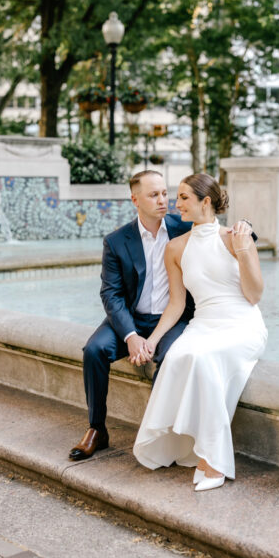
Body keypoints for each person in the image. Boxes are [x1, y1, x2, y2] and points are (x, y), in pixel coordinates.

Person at [133, 173, 267, 492]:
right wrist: (151, 341)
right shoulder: (176, 248)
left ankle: (213, 461)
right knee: (180, 355)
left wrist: (244, 249)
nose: (175, 204)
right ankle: (185, 446)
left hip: (241, 324)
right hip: (203, 324)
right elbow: (177, 304)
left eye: (183, 198)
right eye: (176, 197)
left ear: (205, 202)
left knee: (204, 359)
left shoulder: (235, 238)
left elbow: (254, 296)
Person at [69, 170, 193, 461]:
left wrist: (243, 226)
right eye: (154, 195)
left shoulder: (183, 228)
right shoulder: (115, 241)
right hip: (131, 318)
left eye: (165, 193)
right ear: (135, 199)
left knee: (171, 358)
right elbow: (110, 294)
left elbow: (218, 230)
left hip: (171, 317)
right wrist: (131, 335)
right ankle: (97, 429)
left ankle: (162, 436)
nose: (163, 200)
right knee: (95, 350)